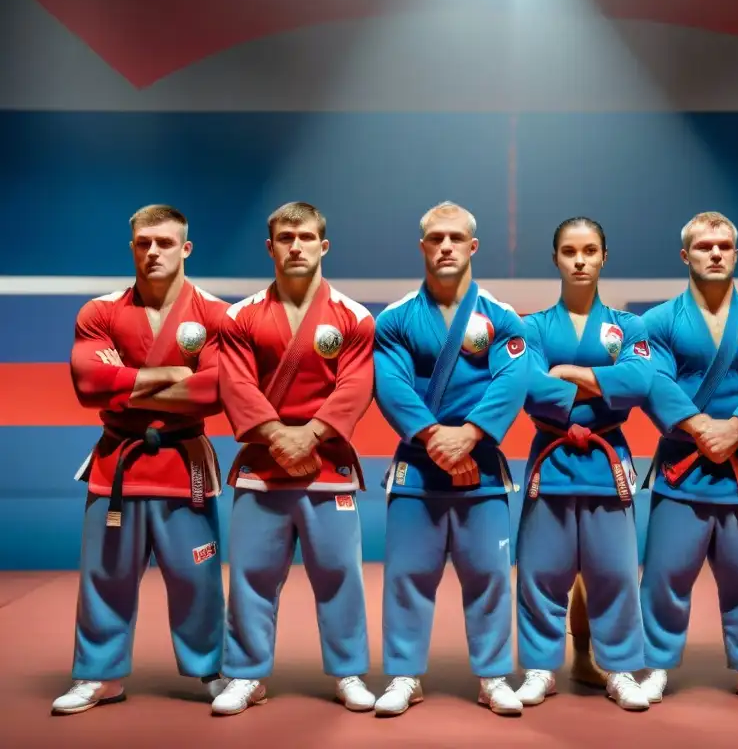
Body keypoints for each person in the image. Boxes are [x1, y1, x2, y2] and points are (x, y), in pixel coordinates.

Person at [54, 204, 228, 714]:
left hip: (184, 465)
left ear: (185, 248)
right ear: (132, 247)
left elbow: (215, 391)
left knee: (197, 578)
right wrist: (175, 373)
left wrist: (126, 385)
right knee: (106, 575)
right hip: (119, 464)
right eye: (143, 243)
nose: (153, 251)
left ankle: (210, 669)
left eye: (165, 243)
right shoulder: (100, 312)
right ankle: (99, 675)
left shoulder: (216, 314)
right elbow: (89, 384)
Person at [212, 202, 377, 716]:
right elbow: (235, 385)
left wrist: (310, 436)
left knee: (340, 574)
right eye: (286, 237)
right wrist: (281, 437)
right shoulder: (240, 317)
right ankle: (244, 675)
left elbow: (355, 386)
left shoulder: (354, 317)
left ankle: (348, 671)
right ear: (271, 247)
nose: (296, 246)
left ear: (324, 246)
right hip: (264, 468)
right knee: (251, 575)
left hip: (328, 467)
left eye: (306, 237)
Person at [372, 201, 529, 717]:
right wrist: (435, 437)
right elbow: (391, 386)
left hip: (481, 468)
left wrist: (471, 435)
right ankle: (402, 675)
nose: (445, 247)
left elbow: (511, 383)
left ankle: (492, 676)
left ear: (472, 246)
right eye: (435, 238)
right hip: (418, 467)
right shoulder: (395, 319)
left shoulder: (501, 317)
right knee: (407, 576)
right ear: (422, 246)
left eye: (455, 238)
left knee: (488, 575)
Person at [637, 211, 738, 706]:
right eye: (704, 246)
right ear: (686, 256)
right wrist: (702, 428)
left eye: (724, 245)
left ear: (736, 254)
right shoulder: (658, 321)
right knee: (665, 574)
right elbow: (654, 381)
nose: (716, 253)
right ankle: (657, 664)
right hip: (682, 467)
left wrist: (736, 428)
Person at [514, 217, 653, 711]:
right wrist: (602, 383)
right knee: (540, 571)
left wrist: (568, 372)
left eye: (589, 250)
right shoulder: (529, 327)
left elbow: (639, 383)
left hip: (605, 461)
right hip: (550, 462)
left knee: (613, 571)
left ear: (603, 257)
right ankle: (538, 668)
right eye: (569, 251)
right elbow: (530, 388)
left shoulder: (629, 326)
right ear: (555, 258)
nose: (579, 260)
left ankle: (617, 667)